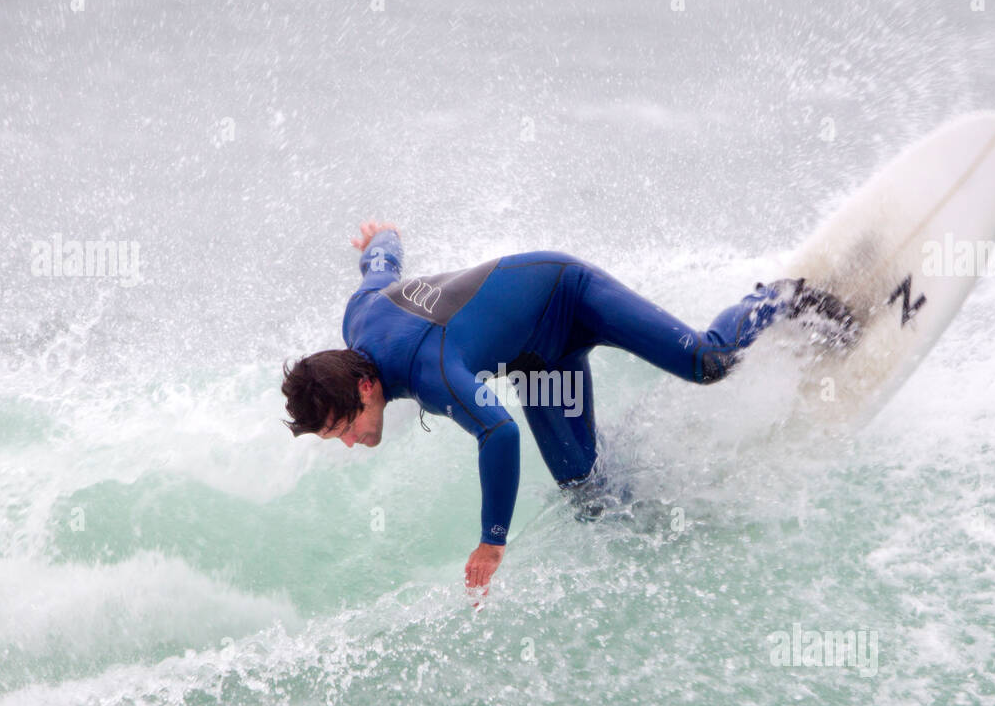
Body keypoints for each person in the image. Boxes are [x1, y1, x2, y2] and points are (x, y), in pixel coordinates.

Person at [282, 220, 856, 590]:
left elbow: (498, 434)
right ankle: (659, 486)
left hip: (568, 293)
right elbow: (378, 266)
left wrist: (492, 540)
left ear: (365, 389)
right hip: (538, 362)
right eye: (340, 439)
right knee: (589, 496)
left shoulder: (429, 372)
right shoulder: (357, 317)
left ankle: (780, 297)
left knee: (707, 363)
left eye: (346, 429)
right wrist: (381, 236)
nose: (353, 442)